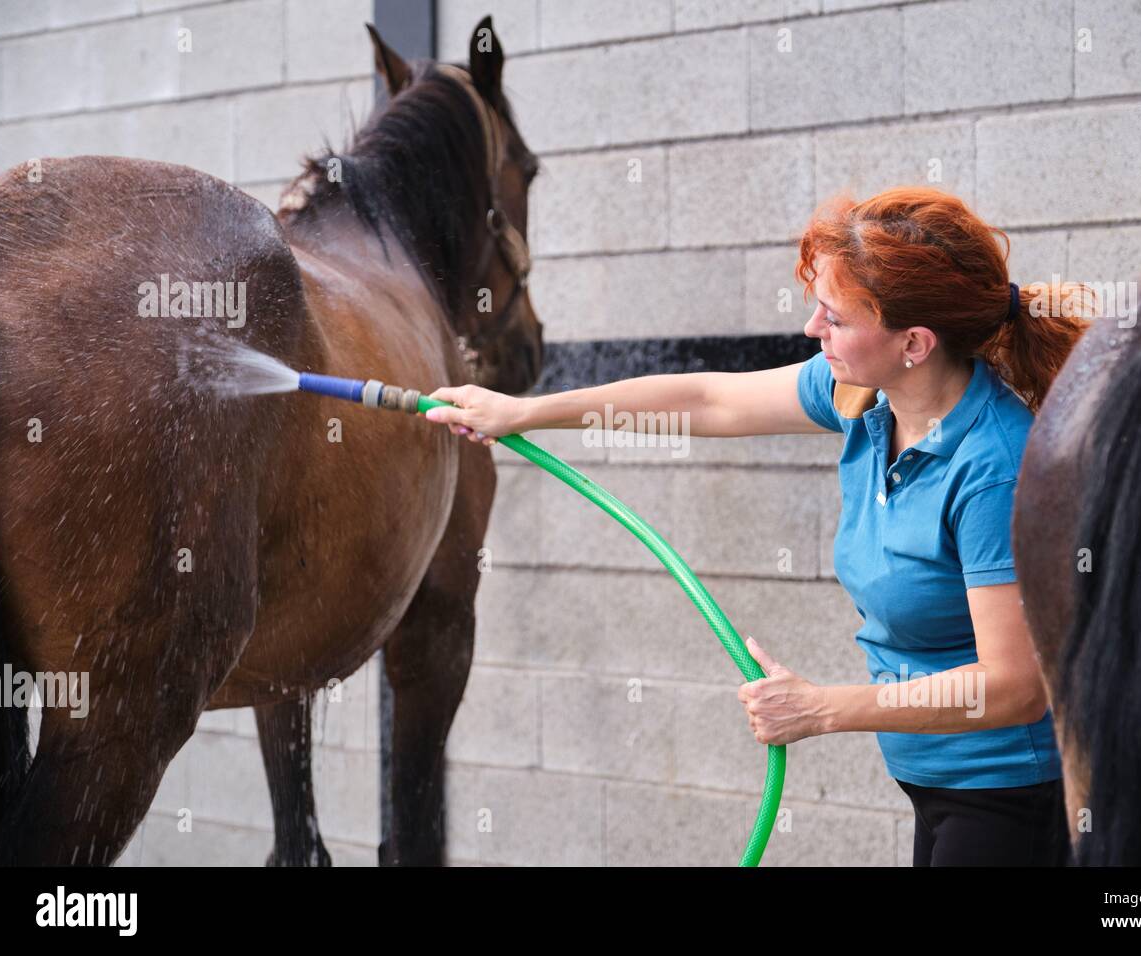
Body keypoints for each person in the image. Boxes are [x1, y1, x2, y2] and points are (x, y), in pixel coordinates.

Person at [421, 186, 1094, 866]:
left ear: (913, 343)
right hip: (935, 783)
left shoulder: (993, 466)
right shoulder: (865, 399)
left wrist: (823, 709)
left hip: (1007, 796)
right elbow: (707, 399)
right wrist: (521, 413)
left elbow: (1013, 687)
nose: (811, 329)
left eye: (834, 317)